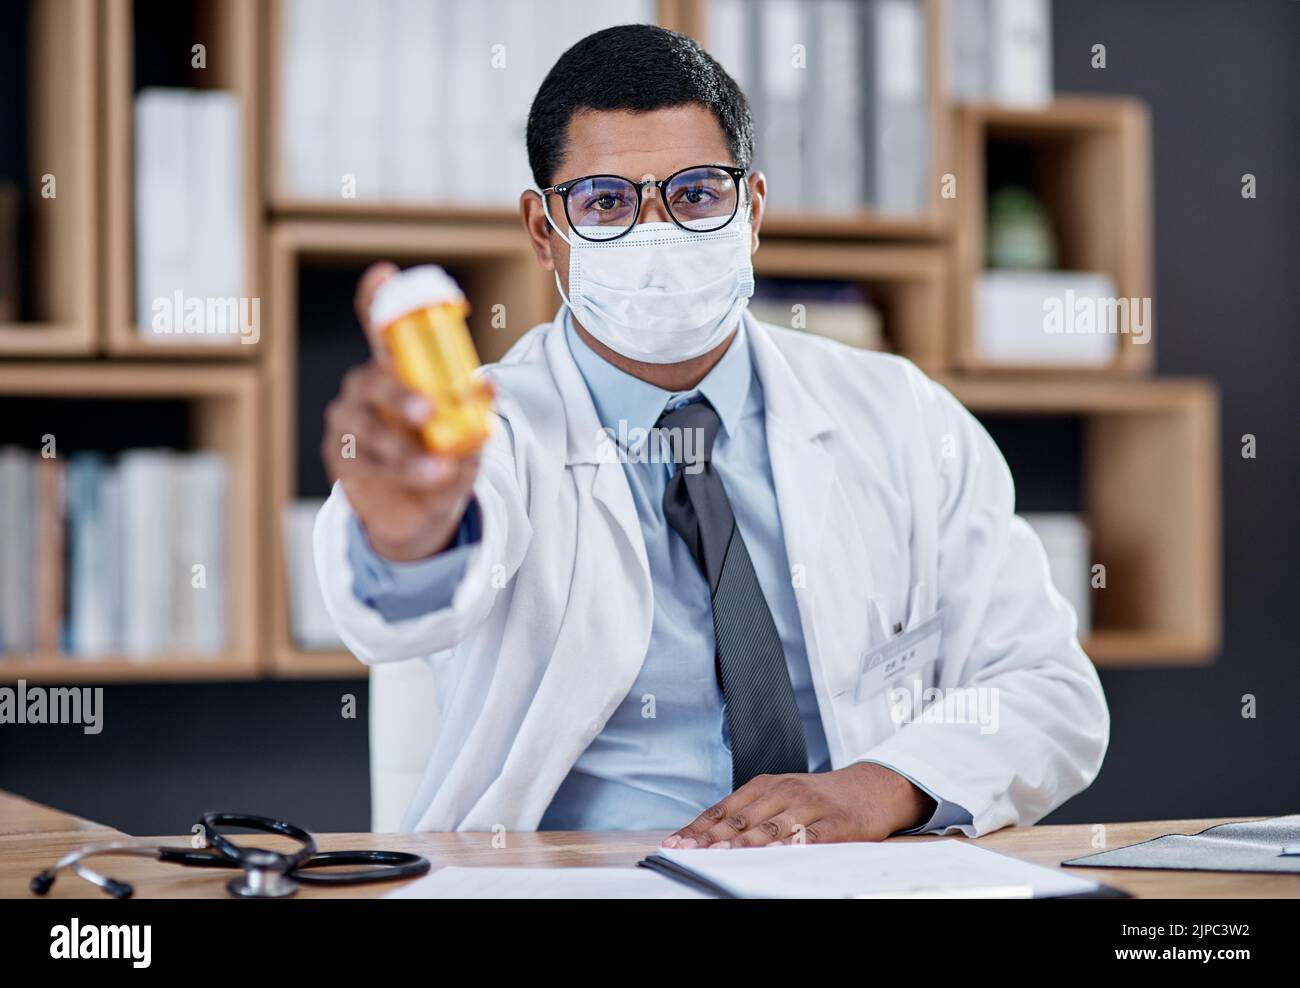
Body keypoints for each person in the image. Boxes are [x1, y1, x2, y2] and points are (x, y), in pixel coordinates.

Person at [315, 24, 1108, 846]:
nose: (655, 234)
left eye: (696, 193)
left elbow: (1048, 688)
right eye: (606, 201)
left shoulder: (900, 414)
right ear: (544, 230)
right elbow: (401, 605)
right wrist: (408, 538)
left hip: (852, 878)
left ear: (752, 210)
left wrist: (883, 789)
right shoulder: (494, 432)